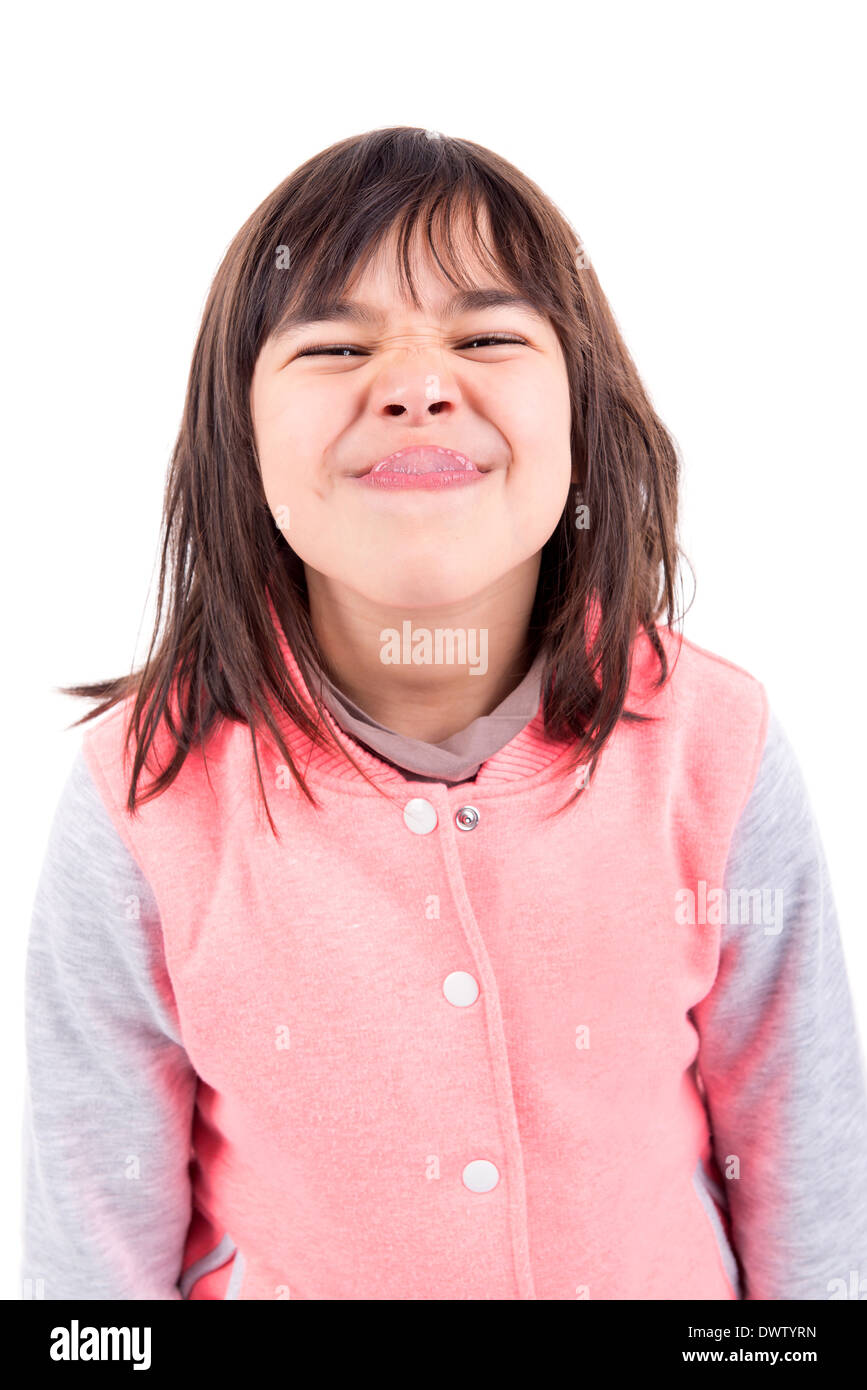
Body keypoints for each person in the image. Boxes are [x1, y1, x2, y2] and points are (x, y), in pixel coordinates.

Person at [21, 126, 867, 1300]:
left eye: (484, 336)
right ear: (240, 442)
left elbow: (807, 1168)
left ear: (583, 414)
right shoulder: (144, 794)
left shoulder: (716, 748)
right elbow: (91, 1256)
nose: (418, 384)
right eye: (332, 344)